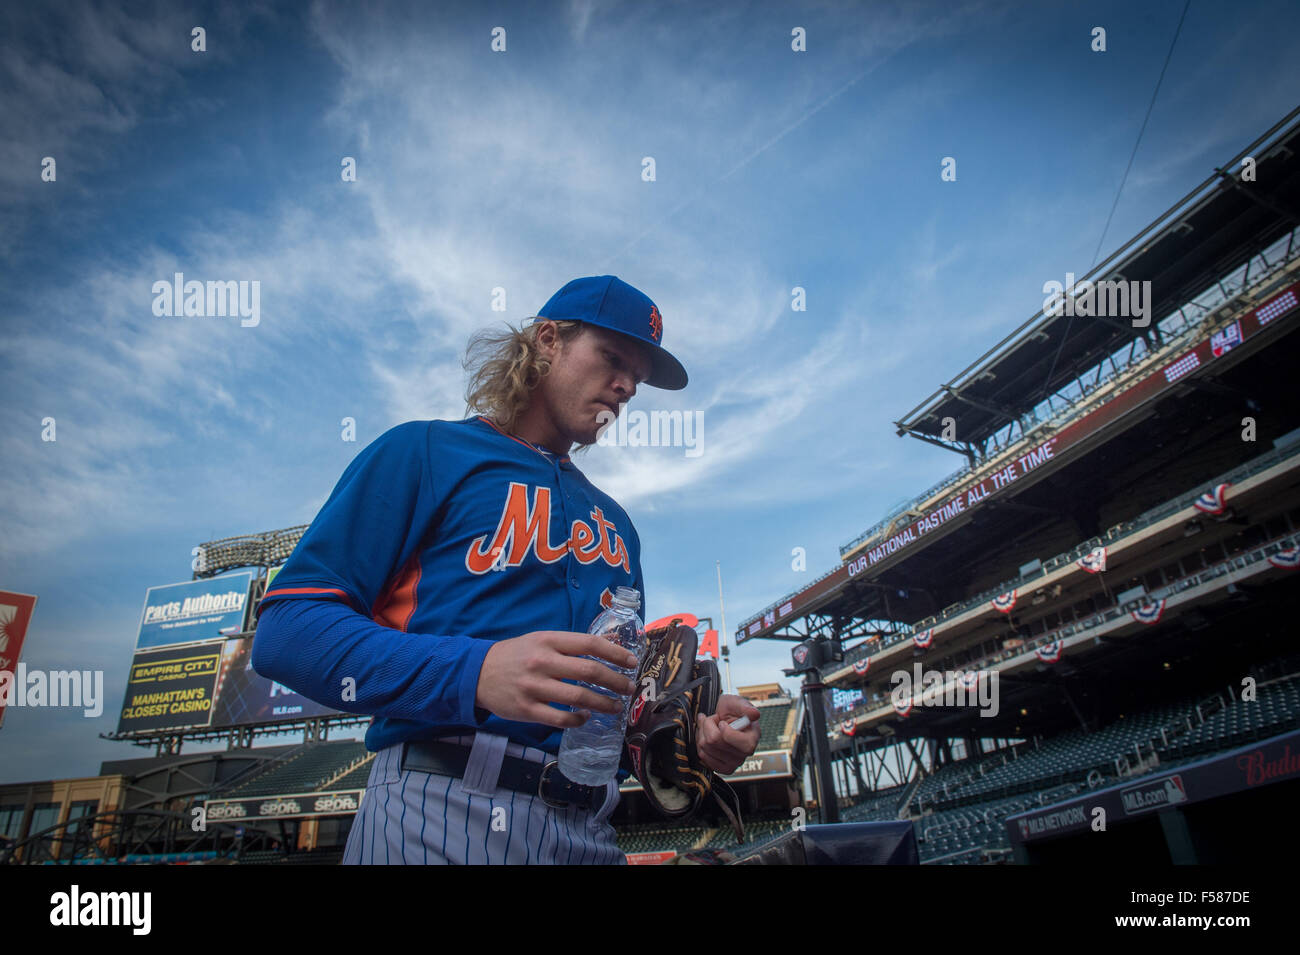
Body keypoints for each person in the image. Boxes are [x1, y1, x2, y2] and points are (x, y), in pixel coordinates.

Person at [252, 275, 761, 864]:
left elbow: (608, 710)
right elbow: (288, 632)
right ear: (547, 339)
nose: (625, 387)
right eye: (612, 358)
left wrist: (691, 739)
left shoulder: (617, 524)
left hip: (591, 830)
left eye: (637, 379)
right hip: (439, 807)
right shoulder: (424, 452)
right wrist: (475, 672)